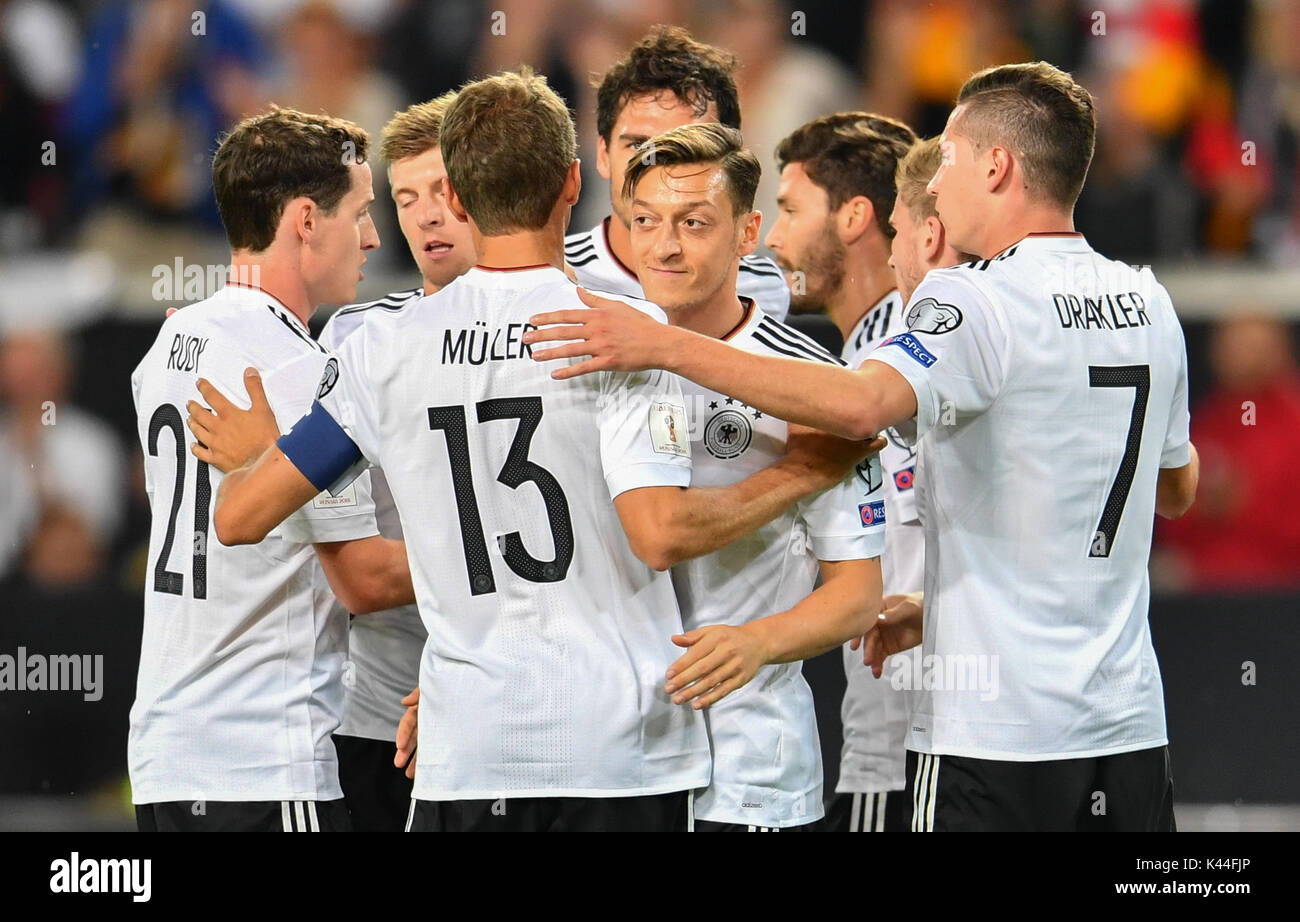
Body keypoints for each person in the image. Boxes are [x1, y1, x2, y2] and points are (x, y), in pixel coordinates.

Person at [524, 61, 1200, 831]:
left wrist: (666, 348)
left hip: (997, 731)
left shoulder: (973, 297)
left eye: (946, 156)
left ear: (997, 165)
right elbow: (1173, 489)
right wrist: (942, 602)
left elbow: (862, 405)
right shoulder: (1147, 297)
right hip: (1129, 724)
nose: (934, 186)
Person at [201, 70, 871, 832]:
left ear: (456, 198)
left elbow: (243, 516)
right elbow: (659, 533)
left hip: (464, 752)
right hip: (616, 754)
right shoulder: (622, 333)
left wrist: (261, 456)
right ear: (573, 183)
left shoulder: (381, 346)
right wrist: (805, 472)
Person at [130, 107, 417, 832]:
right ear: (304, 220)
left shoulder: (165, 347)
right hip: (263, 756)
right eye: (362, 212)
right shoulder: (303, 374)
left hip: (167, 751)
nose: (375, 237)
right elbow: (363, 578)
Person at [623, 122, 886, 831]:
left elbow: (858, 595)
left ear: (748, 233)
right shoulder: (596, 363)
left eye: (694, 223)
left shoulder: (812, 387)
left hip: (747, 774)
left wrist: (757, 642)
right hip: (607, 765)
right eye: (645, 222)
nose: (665, 246)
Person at [311, 91, 477, 830]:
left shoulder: (574, 328)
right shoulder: (356, 337)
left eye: (443, 191)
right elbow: (350, 570)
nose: (426, 216)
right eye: (406, 198)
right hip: (377, 717)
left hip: (524, 719)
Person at [765, 111, 919, 832]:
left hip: (903, 742)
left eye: (791, 210)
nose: (772, 238)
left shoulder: (879, 376)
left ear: (856, 215)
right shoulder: (910, 349)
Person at [565, 25, 789, 320]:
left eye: (688, 146)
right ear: (604, 156)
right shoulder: (555, 279)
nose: (660, 172)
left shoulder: (760, 287)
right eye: (639, 146)